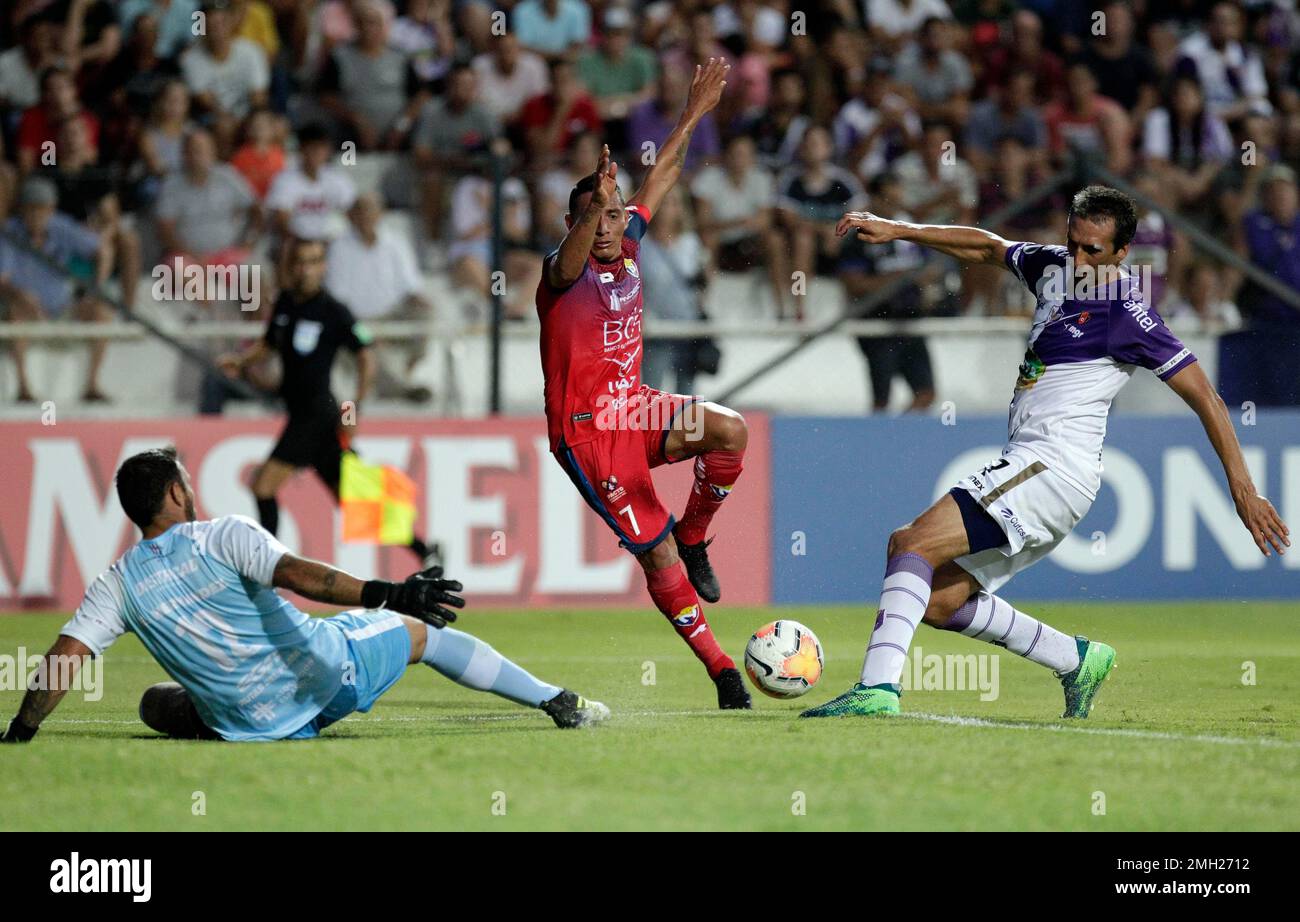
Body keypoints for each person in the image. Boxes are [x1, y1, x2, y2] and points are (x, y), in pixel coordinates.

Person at [802, 185, 1290, 719]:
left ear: (1123, 252)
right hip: (1043, 469)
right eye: (1073, 243)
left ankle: (877, 690)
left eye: (1094, 251)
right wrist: (901, 229)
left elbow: (1208, 399)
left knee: (911, 544)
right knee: (940, 600)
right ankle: (1076, 659)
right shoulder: (1054, 267)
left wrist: (1244, 490)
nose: (1079, 259)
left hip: (1051, 466)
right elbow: (988, 247)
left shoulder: (1127, 314)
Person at [0, 448, 608, 744]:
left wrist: (22, 730)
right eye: (185, 483)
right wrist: (392, 592)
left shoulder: (117, 583)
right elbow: (302, 576)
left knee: (154, 703)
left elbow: (64, 659)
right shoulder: (223, 534)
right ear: (177, 495)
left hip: (247, 723)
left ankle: (235, 711)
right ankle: (558, 701)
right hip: (326, 679)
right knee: (428, 637)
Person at [536, 59, 753, 709]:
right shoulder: (560, 274)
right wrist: (592, 202)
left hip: (636, 410)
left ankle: (696, 533)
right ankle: (722, 672)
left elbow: (663, 172)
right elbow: (571, 251)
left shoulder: (628, 244)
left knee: (730, 431)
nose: (607, 225)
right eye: (595, 216)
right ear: (575, 221)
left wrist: (693, 114)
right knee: (653, 559)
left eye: (612, 215)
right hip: (589, 435)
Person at [217, 236, 438, 565]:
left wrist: (355, 408)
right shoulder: (286, 303)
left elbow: (366, 355)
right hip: (305, 415)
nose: (305, 269)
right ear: (292, 267)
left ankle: (266, 569)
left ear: (324, 267)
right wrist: (242, 361)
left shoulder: (334, 311)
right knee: (352, 499)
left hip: (316, 414)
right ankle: (425, 551)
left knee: (263, 486)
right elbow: (269, 343)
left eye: (313, 262)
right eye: (300, 262)